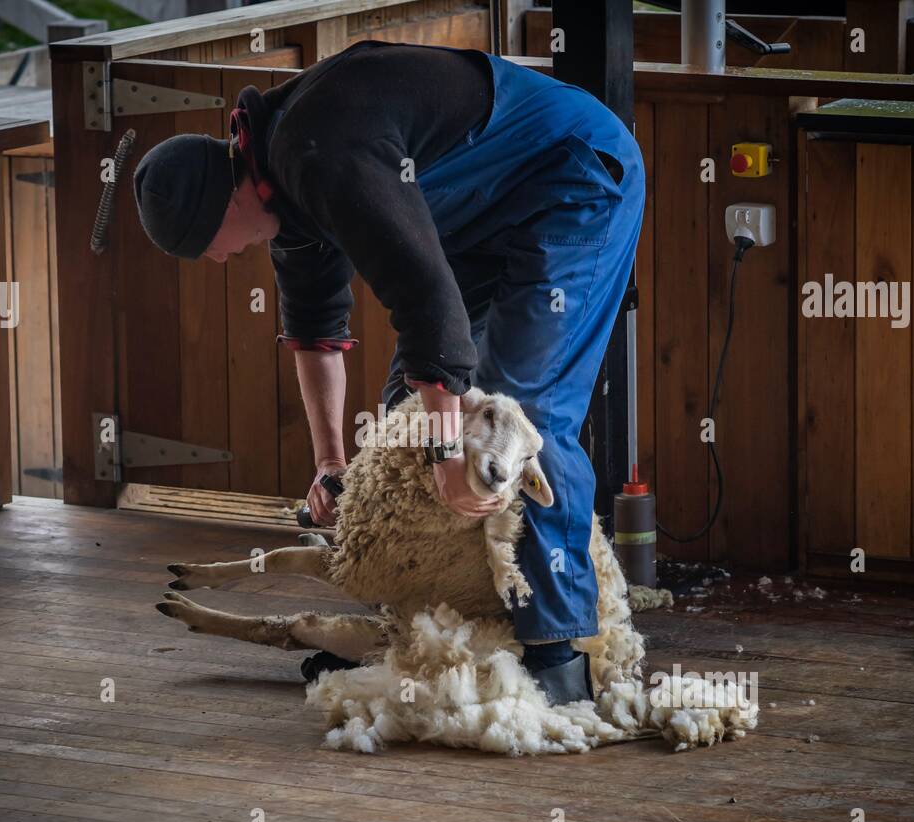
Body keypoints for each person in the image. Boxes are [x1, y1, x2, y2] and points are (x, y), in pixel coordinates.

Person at [132, 40, 644, 704]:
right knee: (404, 416)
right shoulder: (282, 187)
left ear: (221, 209)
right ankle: (428, 631)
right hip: (485, 216)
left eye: (208, 249)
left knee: (519, 420)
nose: (220, 262)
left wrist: (446, 446)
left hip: (575, 175)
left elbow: (427, 304)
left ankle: (561, 656)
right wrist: (329, 463)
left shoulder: (318, 154)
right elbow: (316, 333)